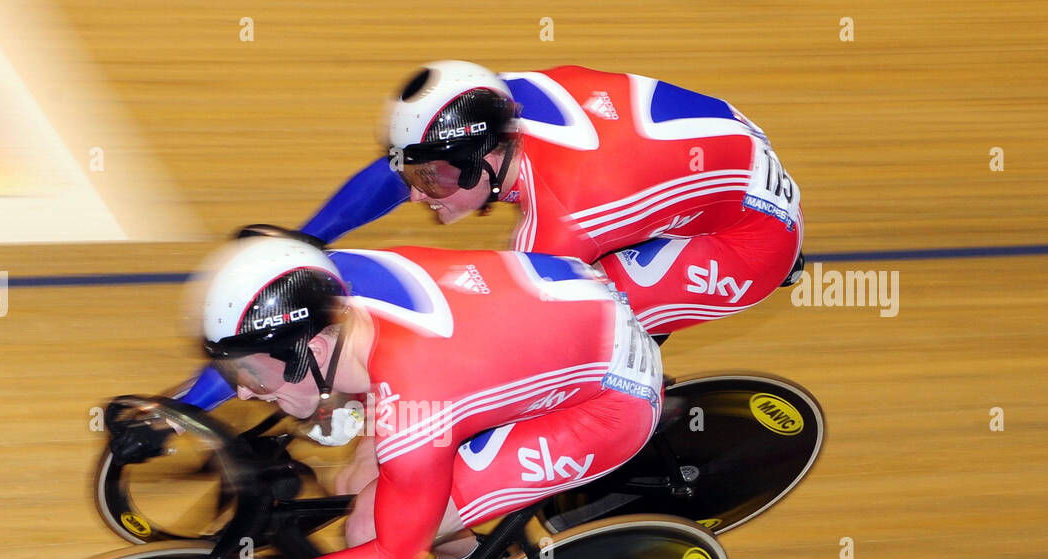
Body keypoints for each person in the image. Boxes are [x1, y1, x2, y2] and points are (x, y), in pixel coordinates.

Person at [180, 232, 663, 559]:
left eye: (254, 375)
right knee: (362, 479)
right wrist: (177, 409)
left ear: (317, 350)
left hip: (606, 408)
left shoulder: (416, 403)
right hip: (548, 332)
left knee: (372, 524)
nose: (243, 393)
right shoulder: (324, 280)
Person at [174, 61, 802, 421]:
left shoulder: (567, 217)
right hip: (699, 160)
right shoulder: (489, 105)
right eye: (422, 175)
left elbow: (511, 333)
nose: (420, 195)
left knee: (562, 340)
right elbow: (402, 166)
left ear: (488, 156)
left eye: (437, 179)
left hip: (742, 238)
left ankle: (623, 413)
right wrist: (306, 243)